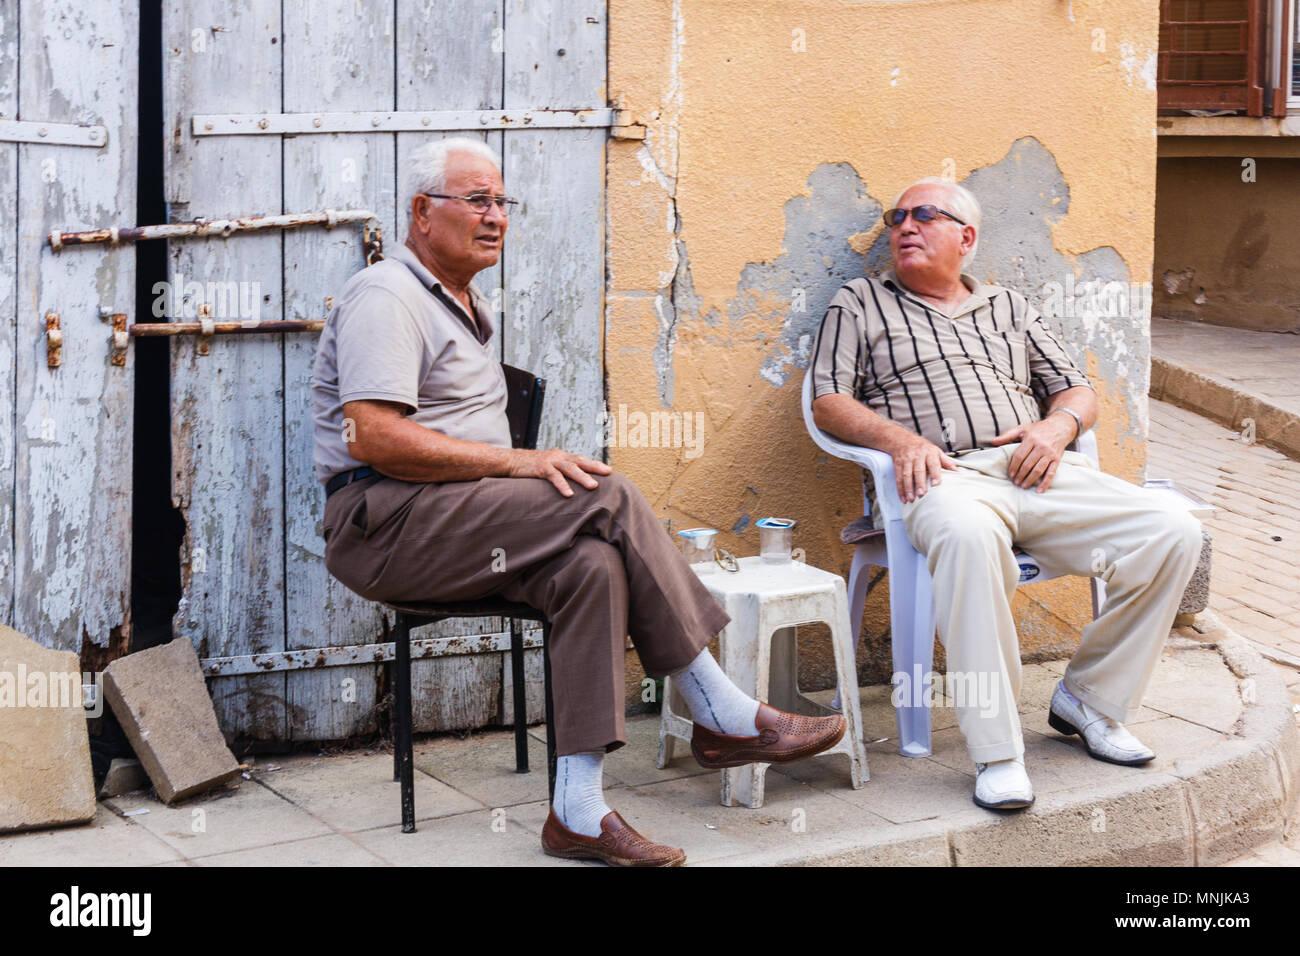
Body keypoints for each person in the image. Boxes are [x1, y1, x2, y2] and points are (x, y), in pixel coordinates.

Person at [312, 137, 845, 864]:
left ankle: (577, 814)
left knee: (592, 567)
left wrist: (511, 475)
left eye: (502, 202)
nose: (496, 216)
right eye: (477, 200)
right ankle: (723, 709)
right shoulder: (389, 294)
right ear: (421, 213)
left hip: (455, 521)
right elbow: (373, 437)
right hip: (384, 523)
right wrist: (520, 462)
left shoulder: (465, 304)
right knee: (610, 494)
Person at [808, 176, 1202, 810]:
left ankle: (1091, 702)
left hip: (1037, 472)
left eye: (924, 216)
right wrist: (899, 442)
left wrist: (1056, 427)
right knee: (968, 537)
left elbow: (1077, 390)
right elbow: (829, 401)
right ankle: (997, 752)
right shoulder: (860, 301)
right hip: (943, 479)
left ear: (965, 238)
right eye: (896, 216)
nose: (904, 226)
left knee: (1174, 531)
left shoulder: (1010, 308)